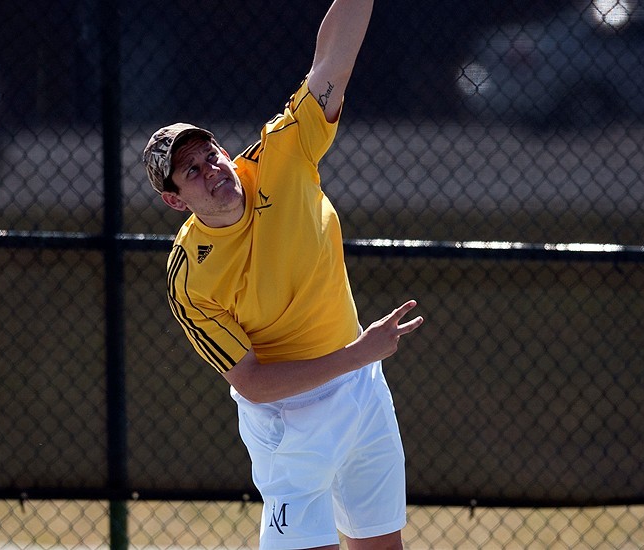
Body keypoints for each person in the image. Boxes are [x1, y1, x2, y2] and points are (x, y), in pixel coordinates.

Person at [142, 1, 423, 548]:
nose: (211, 171)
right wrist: (359, 354)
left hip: (363, 390)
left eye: (210, 154)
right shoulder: (189, 280)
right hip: (289, 421)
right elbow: (249, 380)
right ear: (176, 201)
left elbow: (330, 64)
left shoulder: (283, 154)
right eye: (191, 172)